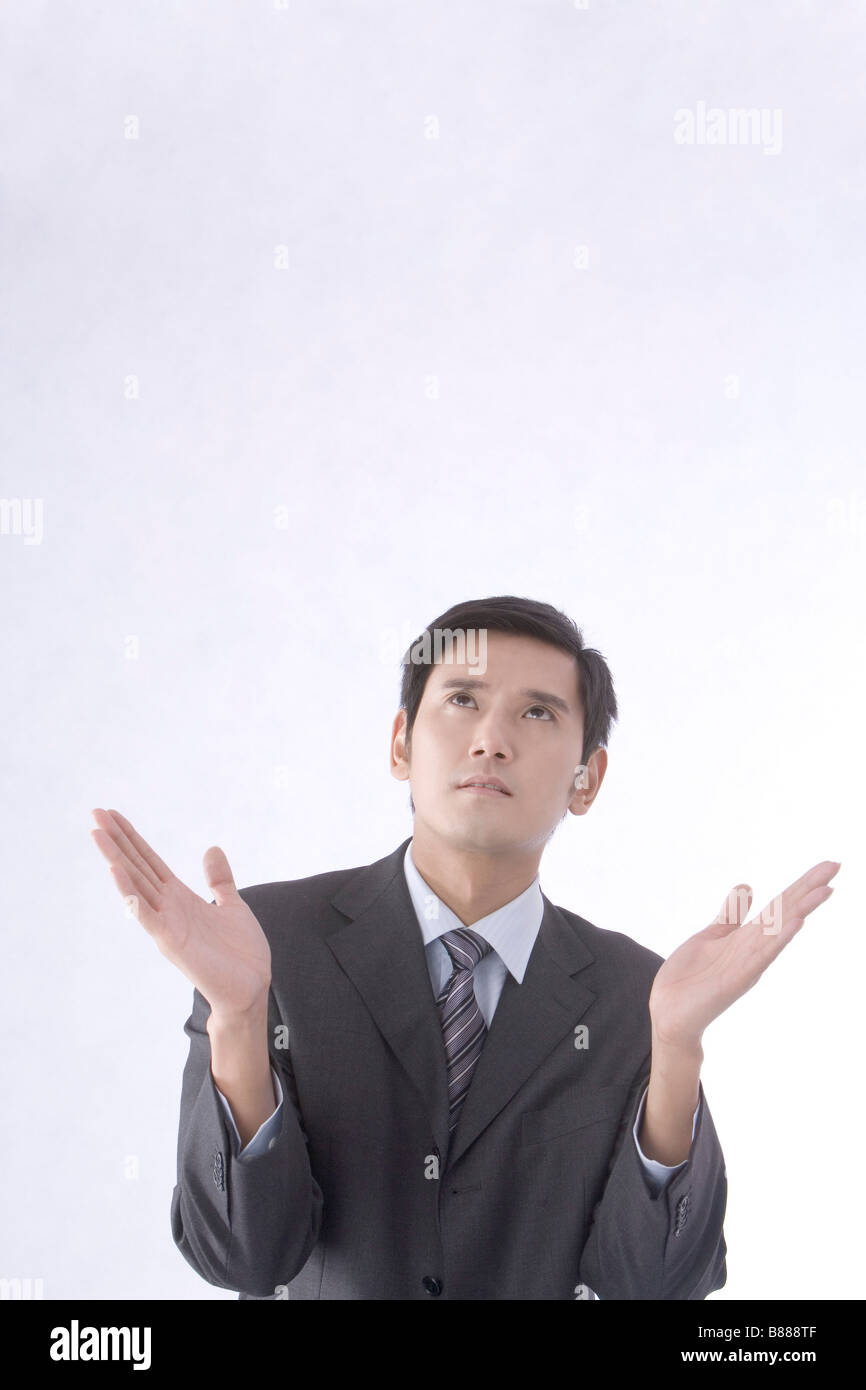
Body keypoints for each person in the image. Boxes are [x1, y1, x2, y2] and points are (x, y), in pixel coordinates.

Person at [90, 594, 840, 1299]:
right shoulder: (267, 946)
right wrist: (238, 1016)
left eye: (538, 712)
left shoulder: (638, 995)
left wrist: (676, 1049)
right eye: (462, 701)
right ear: (400, 742)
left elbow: (653, 1285)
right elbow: (245, 1258)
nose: (492, 739)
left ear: (588, 778)